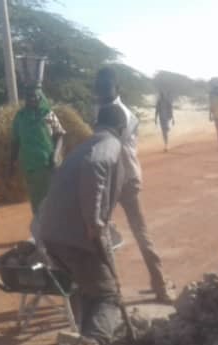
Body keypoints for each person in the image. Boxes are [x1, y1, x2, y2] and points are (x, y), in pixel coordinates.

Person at [33, 104, 129, 345]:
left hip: (51, 233)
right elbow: (95, 169)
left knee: (87, 290)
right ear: (121, 129)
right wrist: (94, 224)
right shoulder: (108, 146)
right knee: (108, 295)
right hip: (75, 235)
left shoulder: (84, 145)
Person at [94, 67, 175, 304]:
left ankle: (160, 284)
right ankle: (108, 290)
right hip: (106, 179)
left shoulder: (124, 115)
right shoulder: (99, 109)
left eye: (105, 90)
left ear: (117, 90)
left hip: (126, 179)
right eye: (98, 90)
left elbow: (110, 145)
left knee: (140, 232)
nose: (101, 94)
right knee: (99, 233)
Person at [11, 85, 65, 215]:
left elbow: (60, 135)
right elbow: (15, 141)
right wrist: (11, 163)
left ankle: (56, 232)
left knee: (53, 200)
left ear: (40, 97)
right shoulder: (20, 117)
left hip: (49, 165)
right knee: (36, 201)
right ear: (25, 98)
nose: (33, 98)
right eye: (29, 96)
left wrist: (56, 155)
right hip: (30, 166)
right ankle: (40, 232)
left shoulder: (48, 114)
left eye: (35, 96)